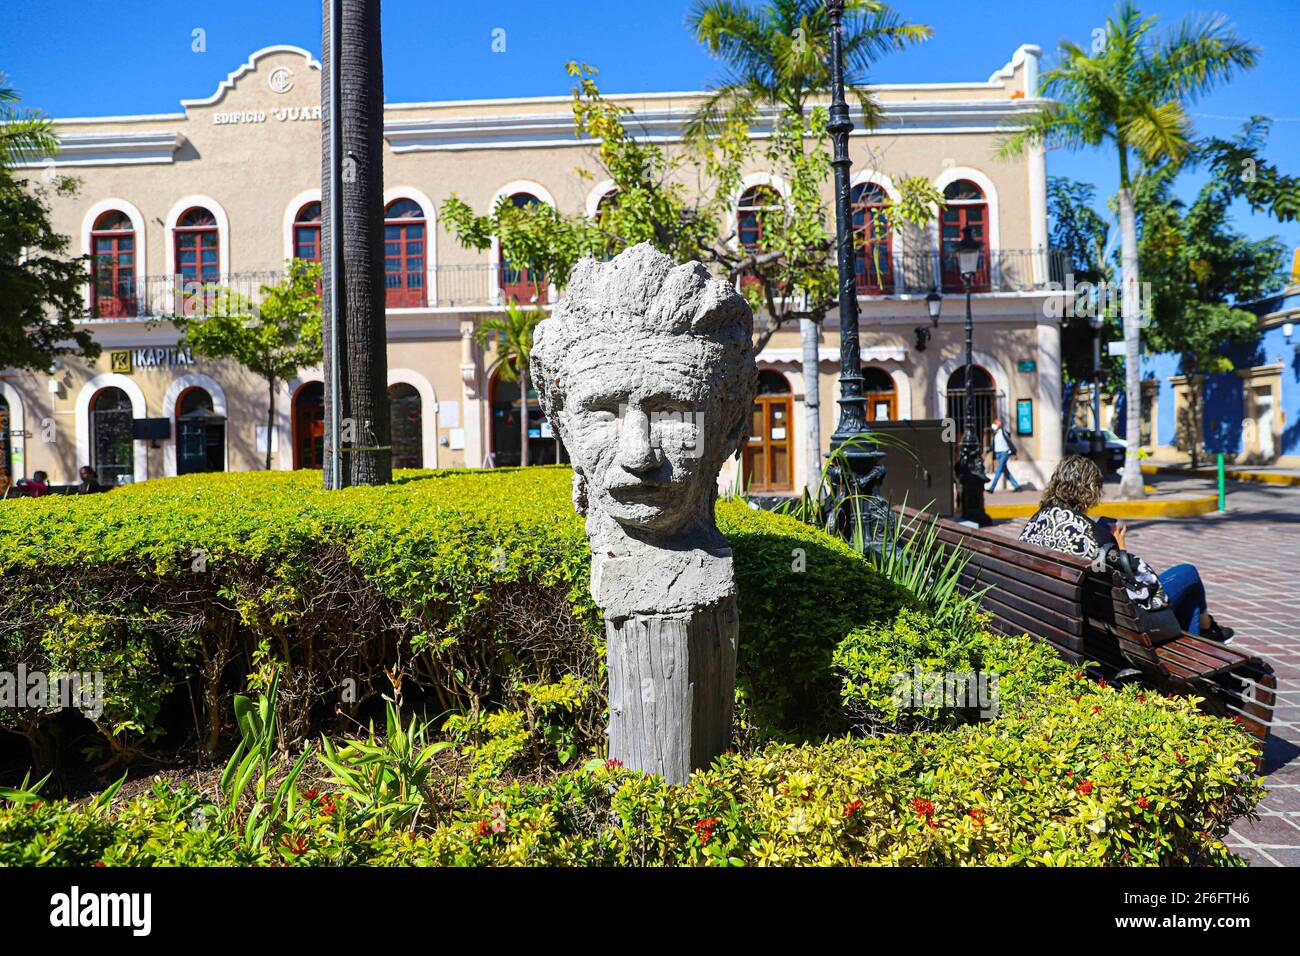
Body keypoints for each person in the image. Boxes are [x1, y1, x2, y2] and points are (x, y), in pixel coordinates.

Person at [1019, 455, 1231, 640]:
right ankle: (1206, 630)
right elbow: (1143, 585)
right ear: (1090, 490)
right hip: (1127, 625)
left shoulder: (1036, 521)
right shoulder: (1096, 539)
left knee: (1190, 596)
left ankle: (1206, 630)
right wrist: (1119, 548)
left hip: (1063, 614)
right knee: (1188, 574)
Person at [986, 416, 1021, 492]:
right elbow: (993, 445)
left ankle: (992, 488)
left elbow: (1009, 442)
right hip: (998, 454)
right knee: (1005, 471)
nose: (994, 425)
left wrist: (1014, 452)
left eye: (996, 423)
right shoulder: (995, 434)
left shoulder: (1003, 432)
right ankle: (1017, 486)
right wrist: (986, 452)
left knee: (998, 470)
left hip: (1004, 453)